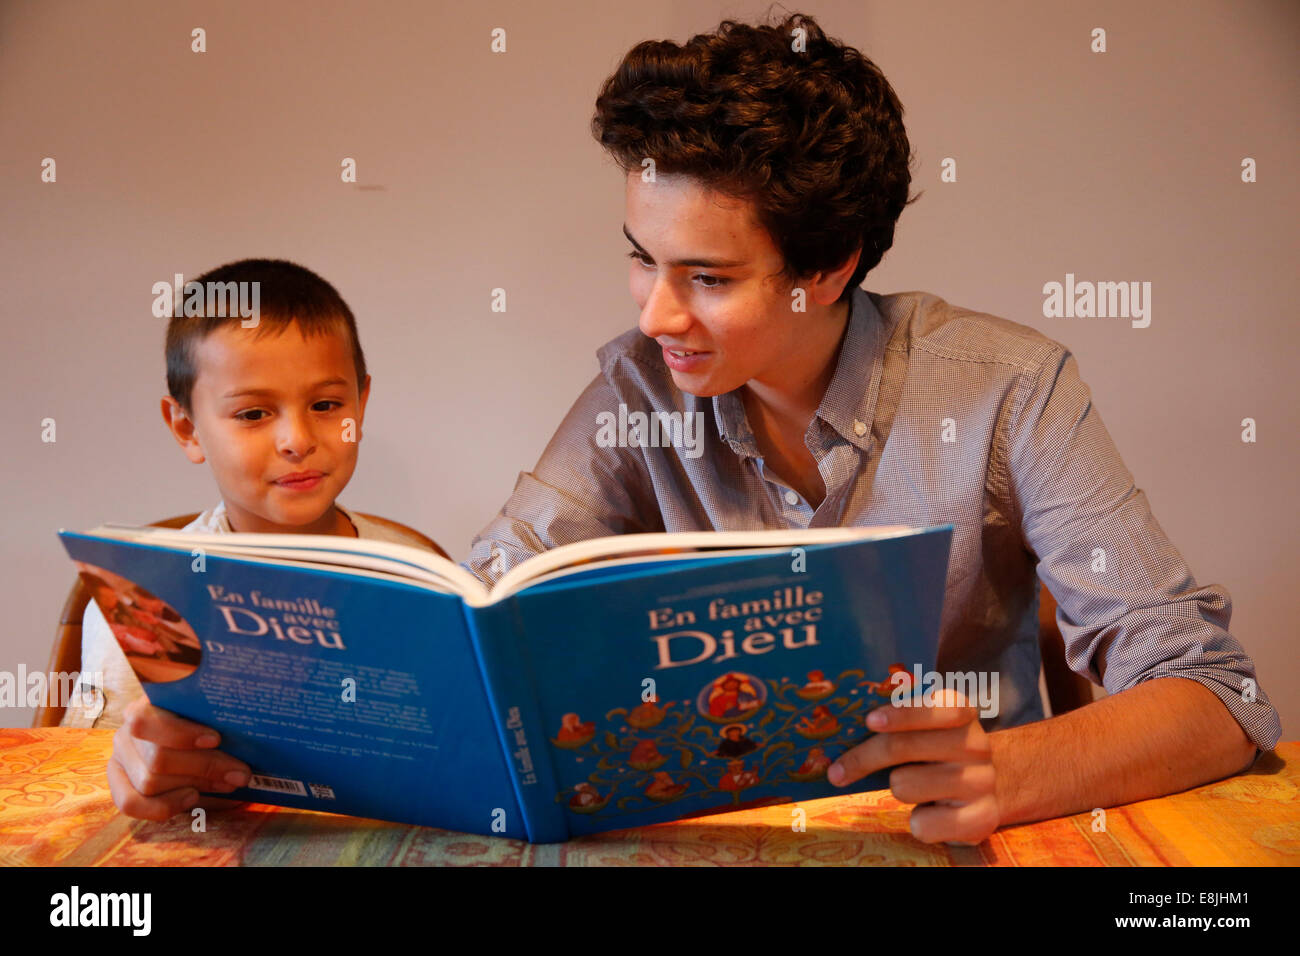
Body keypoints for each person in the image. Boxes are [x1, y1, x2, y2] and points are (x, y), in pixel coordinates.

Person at [464, 13, 1280, 844]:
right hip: (724, 829)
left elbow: (1215, 696)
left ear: (827, 266)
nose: (657, 315)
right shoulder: (640, 389)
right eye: (643, 257)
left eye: (707, 277)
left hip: (946, 840)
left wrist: (1000, 771)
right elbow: (484, 602)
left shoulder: (1010, 390)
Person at [89, 258, 441, 821]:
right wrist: (137, 770)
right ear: (186, 428)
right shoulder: (146, 598)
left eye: (326, 405)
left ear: (361, 403)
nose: (297, 440)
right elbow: (94, 770)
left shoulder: (417, 570)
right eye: (253, 413)